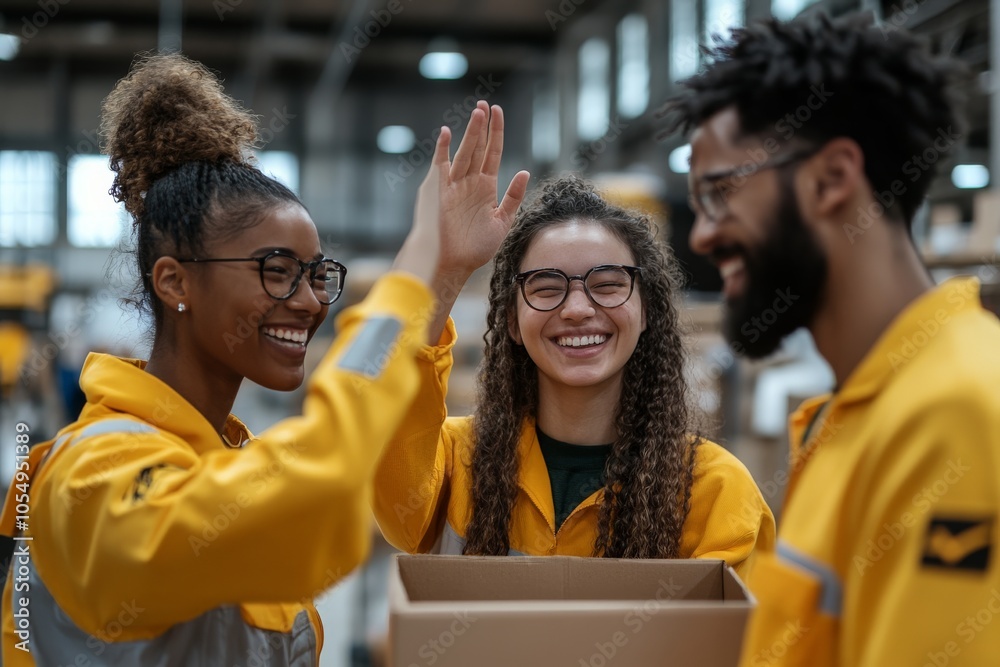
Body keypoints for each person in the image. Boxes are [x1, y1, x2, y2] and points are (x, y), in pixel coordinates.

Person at [0, 54, 512, 666]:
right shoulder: (90, 478)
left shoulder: (217, 457)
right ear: (174, 283)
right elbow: (316, 496)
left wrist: (443, 274)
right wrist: (411, 282)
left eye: (318, 275)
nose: (309, 301)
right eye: (275, 272)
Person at [661, 11, 1000, 666]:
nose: (701, 236)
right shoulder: (852, 414)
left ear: (833, 178)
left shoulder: (955, 413)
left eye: (720, 193)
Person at [372, 169, 775, 574]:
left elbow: (730, 635)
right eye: (546, 288)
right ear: (512, 320)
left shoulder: (715, 490)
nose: (578, 310)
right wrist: (444, 269)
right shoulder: (455, 462)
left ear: (646, 309)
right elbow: (396, 502)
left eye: (607, 285)